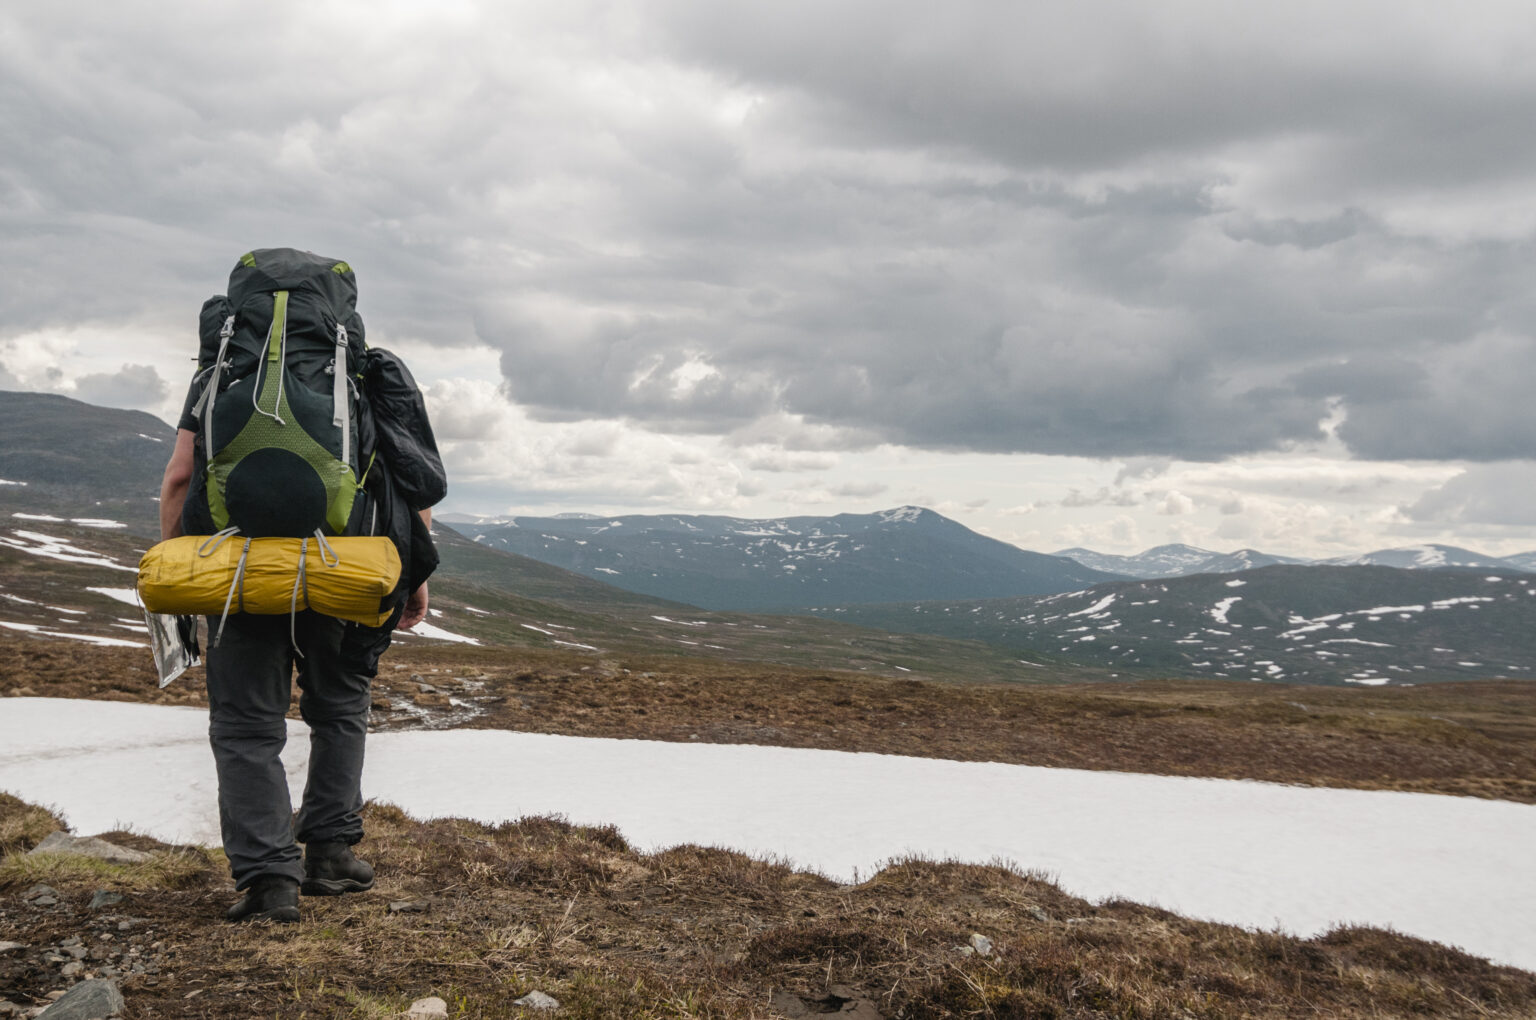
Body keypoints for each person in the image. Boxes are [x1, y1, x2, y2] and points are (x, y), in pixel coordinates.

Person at [159, 296, 440, 924]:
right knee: (340, 708)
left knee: (245, 726)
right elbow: (411, 478)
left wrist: (184, 566)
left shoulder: (219, 374)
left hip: (239, 573)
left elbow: (181, 475)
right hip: (344, 567)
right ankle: (331, 856)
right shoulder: (363, 375)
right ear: (340, 316)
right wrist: (414, 571)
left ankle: (267, 883)